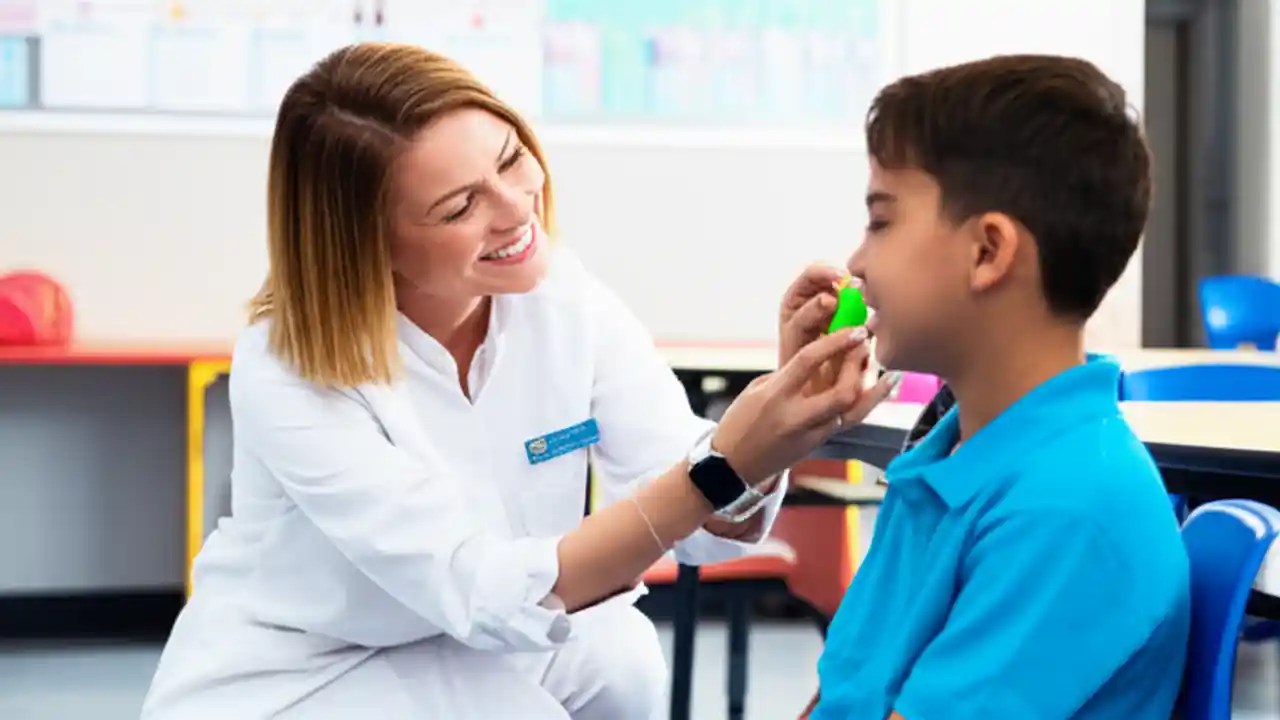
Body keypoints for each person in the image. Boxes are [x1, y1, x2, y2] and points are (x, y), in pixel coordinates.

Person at [141, 42, 897, 720]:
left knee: (625, 658)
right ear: (370, 244)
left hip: (478, 632)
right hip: (310, 662)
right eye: (460, 206)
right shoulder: (290, 364)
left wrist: (776, 427)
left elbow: (704, 528)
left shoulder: (561, 299)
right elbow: (482, 589)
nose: (516, 209)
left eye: (508, 160)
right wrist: (724, 462)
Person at [787, 55, 1191, 719]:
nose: (858, 261)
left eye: (882, 221)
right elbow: (844, 694)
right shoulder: (944, 462)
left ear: (988, 253)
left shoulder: (1071, 509)